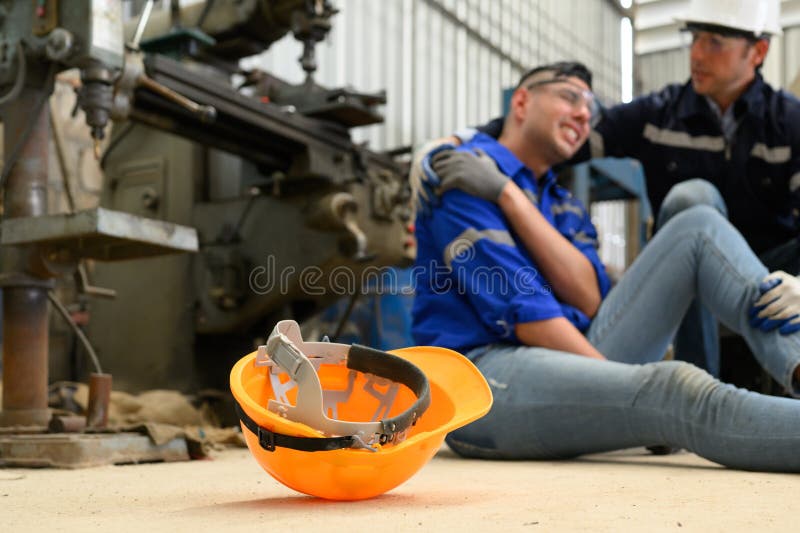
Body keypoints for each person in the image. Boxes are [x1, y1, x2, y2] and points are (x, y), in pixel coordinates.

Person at [411, 61, 800, 471]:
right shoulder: (464, 173)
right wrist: (628, 390)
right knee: (672, 391)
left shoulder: (558, 200)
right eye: (568, 97)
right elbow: (529, 319)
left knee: (698, 224)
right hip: (485, 382)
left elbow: (590, 298)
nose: (584, 113)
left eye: (589, 105)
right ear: (522, 101)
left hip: (568, 356)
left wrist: (511, 196)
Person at [412, 0, 800, 380]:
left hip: (772, 275)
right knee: (692, 200)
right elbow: (553, 136)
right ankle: (699, 384)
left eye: (714, 42)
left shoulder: (790, 122)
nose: (696, 54)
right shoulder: (656, 116)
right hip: (695, 278)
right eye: (693, 38)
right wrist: (458, 142)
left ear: (759, 51)